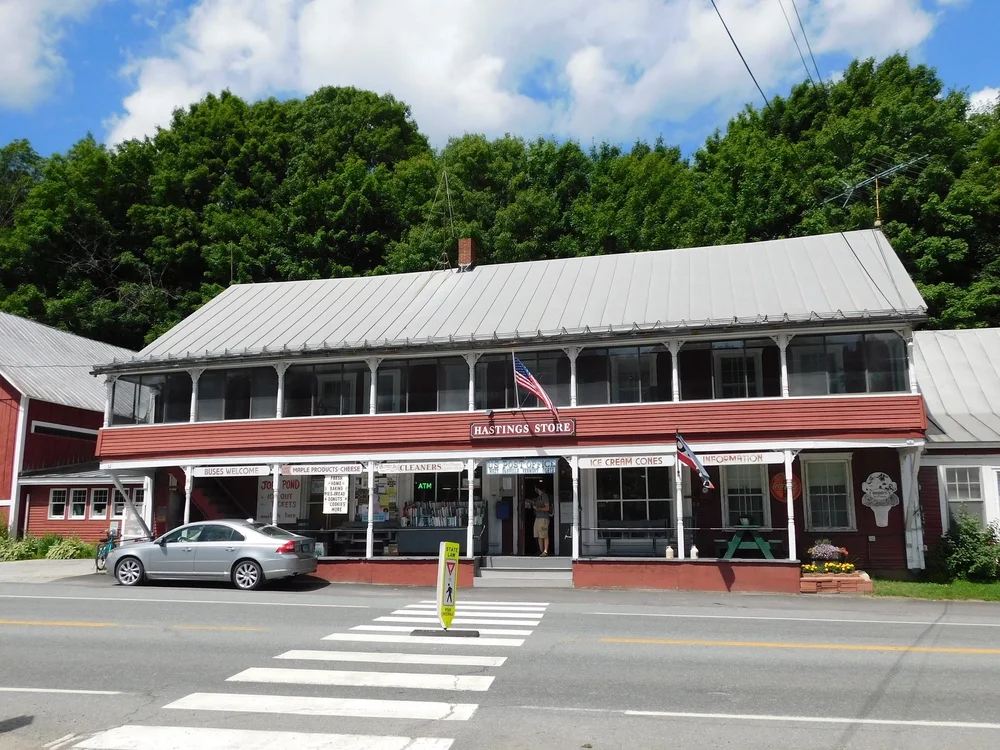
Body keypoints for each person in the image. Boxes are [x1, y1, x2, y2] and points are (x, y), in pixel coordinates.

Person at [529, 485, 551, 556]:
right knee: (538, 535)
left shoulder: (544, 496)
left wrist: (537, 508)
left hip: (543, 518)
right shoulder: (539, 497)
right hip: (538, 517)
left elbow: (547, 508)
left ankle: (545, 551)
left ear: (537, 488)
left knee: (544, 535)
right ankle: (541, 550)